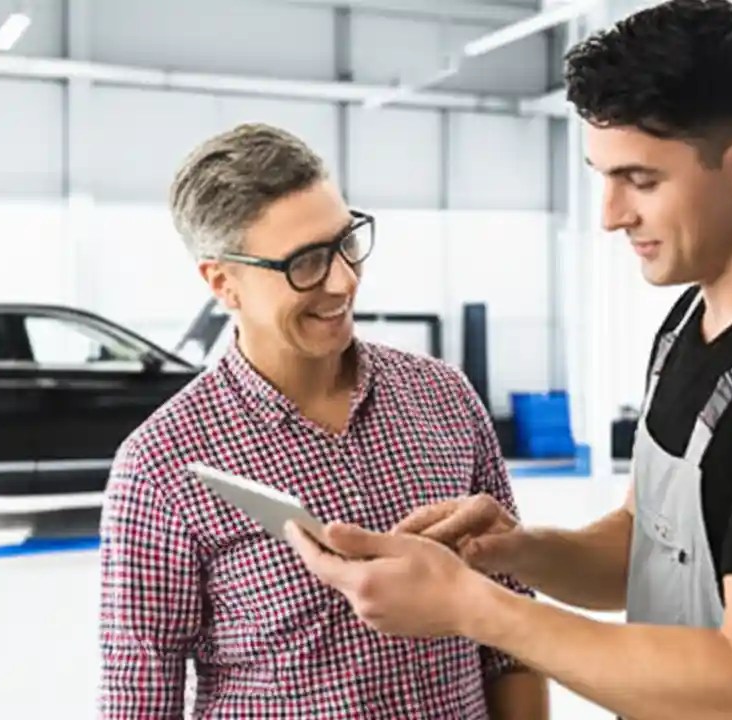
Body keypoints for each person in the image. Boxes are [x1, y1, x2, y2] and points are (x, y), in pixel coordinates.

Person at [285, 1, 732, 718]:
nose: (610, 214)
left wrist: (472, 608)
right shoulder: (693, 316)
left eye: (641, 179)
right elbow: (651, 548)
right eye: (602, 175)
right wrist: (512, 551)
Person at [97, 123, 548, 718]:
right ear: (222, 282)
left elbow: (511, 634)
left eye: (345, 242)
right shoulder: (163, 465)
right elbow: (139, 699)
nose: (344, 280)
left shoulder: (443, 398)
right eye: (305, 263)